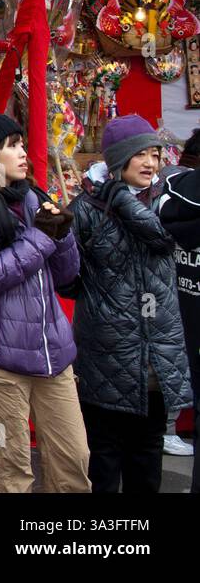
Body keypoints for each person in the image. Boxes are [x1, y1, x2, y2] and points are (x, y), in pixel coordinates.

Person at [0, 114, 89, 493]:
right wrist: (41, 236)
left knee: (74, 460)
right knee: (9, 467)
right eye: (12, 145)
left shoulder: (32, 197)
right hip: (1, 360)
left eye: (22, 144)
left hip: (52, 353)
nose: (23, 153)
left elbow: (67, 275)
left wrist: (62, 232)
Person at [71, 114, 193, 493]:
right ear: (118, 159)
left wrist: (123, 202)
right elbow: (67, 282)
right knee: (104, 458)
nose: (151, 163)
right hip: (106, 354)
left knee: (147, 455)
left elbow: (167, 240)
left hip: (158, 353)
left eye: (155, 154)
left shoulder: (166, 204)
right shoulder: (86, 209)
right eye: (140, 153)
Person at [149, 126, 200, 490]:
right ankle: (164, 429)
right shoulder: (173, 189)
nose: (151, 163)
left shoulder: (168, 191)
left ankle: (163, 429)